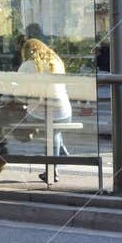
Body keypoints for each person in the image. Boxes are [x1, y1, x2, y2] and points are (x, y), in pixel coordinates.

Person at [17, 30, 72, 184]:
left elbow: (20, 94)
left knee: (49, 130)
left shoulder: (27, 65)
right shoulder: (56, 61)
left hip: (39, 115)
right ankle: (60, 151)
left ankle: (52, 171)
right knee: (54, 129)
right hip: (66, 113)